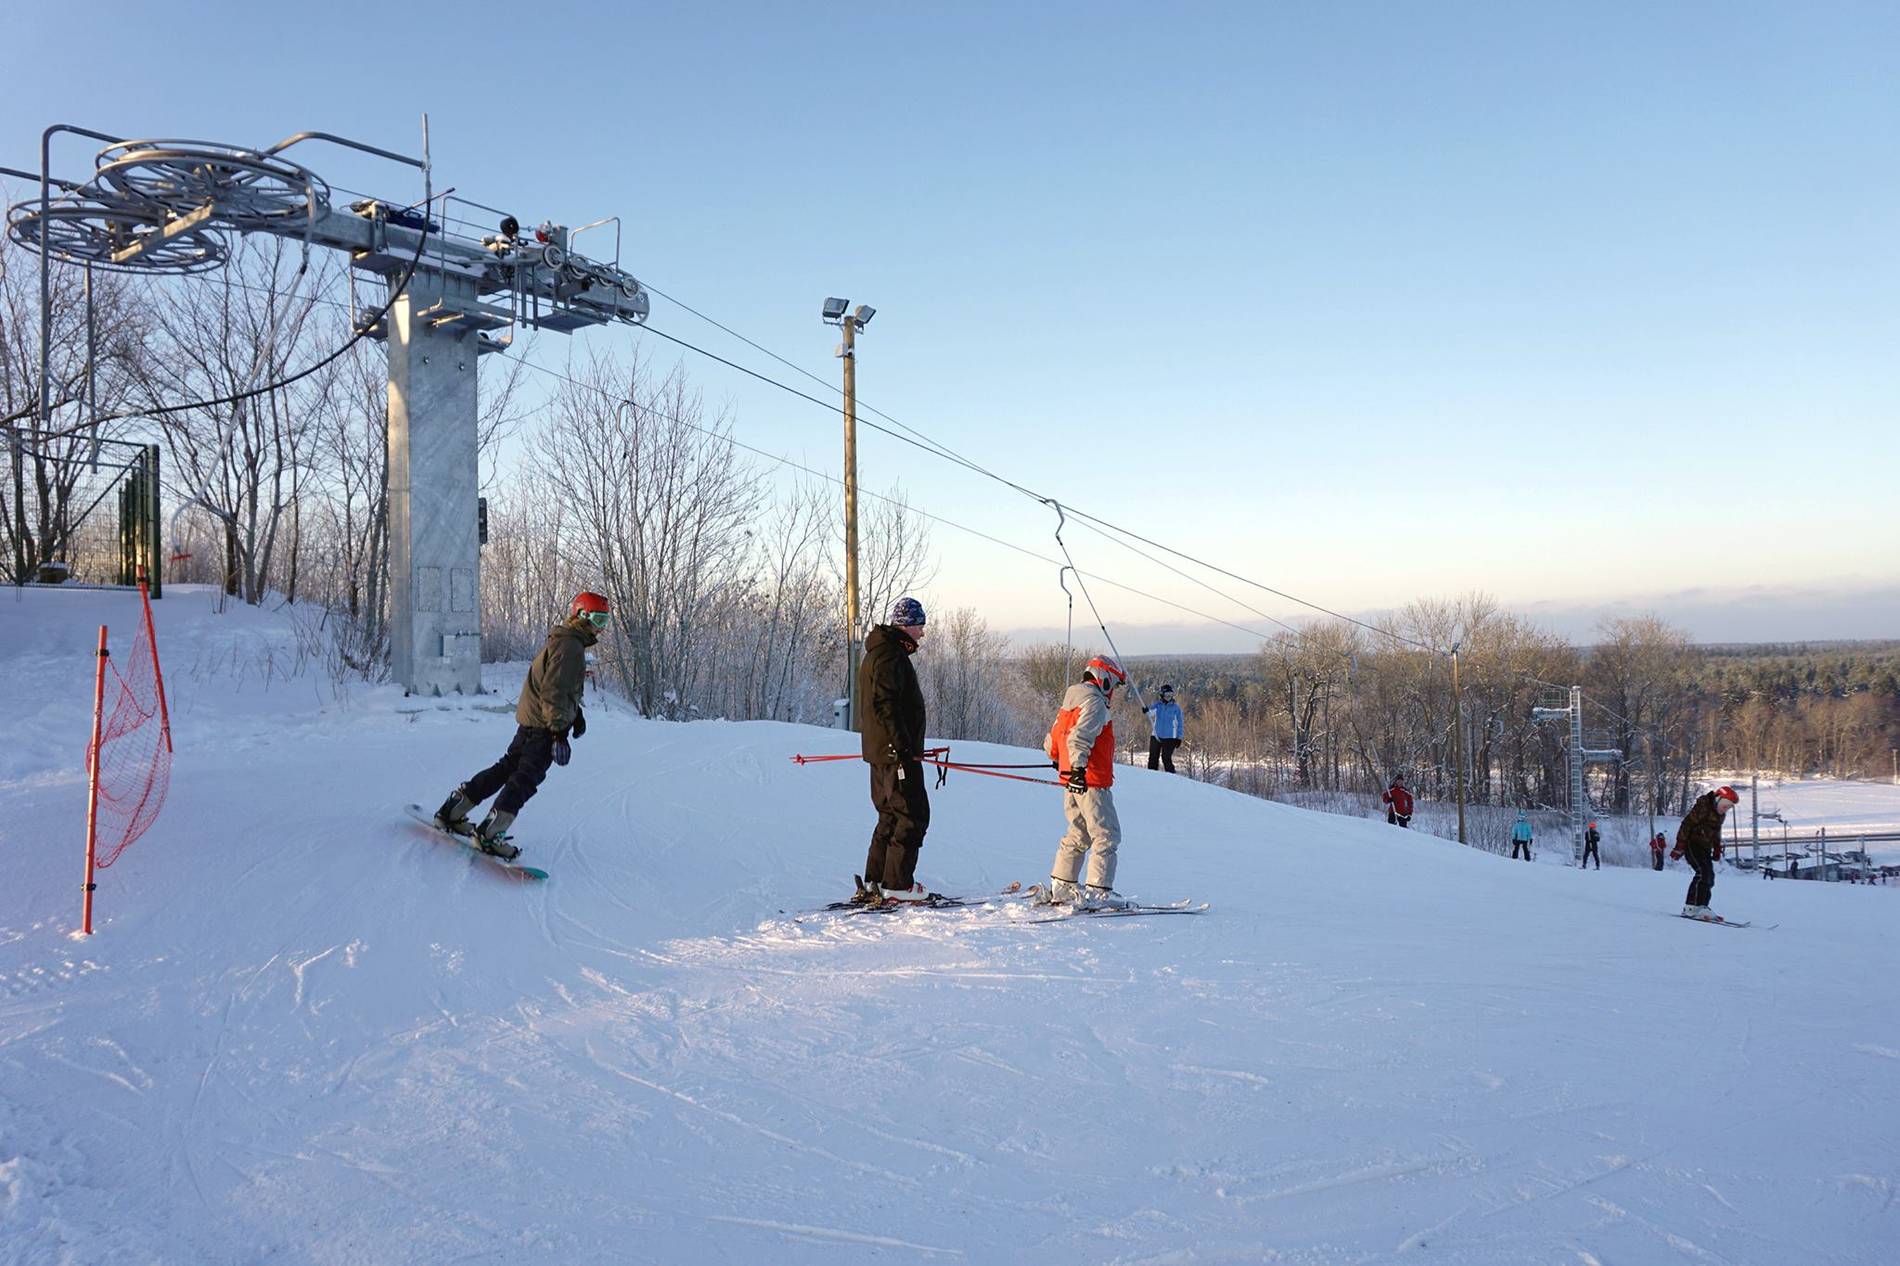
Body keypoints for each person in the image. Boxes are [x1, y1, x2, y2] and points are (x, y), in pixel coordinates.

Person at [434, 591, 607, 859]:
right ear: (581, 616)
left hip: (533, 721)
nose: (602, 627)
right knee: (526, 778)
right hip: (544, 725)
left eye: (606, 620)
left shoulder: (565, 641)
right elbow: (554, 691)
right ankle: (490, 834)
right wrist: (559, 732)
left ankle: (453, 809)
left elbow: (560, 687)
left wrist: (576, 714)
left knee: (507, 768)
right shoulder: (571, 647)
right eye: (598, 618)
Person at [856, 597, 932, 902]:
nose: (922, 634)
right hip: (895, 754)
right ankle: (897, 885)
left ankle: (877, 880)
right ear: (907, 626)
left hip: (883, 753)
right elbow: (885, 705)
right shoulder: (890, 657)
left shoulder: (881, 653)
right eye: (920, 627)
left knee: (889, 815)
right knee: (911, 815)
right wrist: (902, 747)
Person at [1044, 655, 1129, 907]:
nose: (1113, 691)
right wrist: (1079, 769)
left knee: (1079, 832)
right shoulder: (1095, 703)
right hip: (1090, 780)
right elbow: (1079, 738)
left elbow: (1054, 739)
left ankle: (1063, 885)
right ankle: (1099, 891)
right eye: (1113, 685)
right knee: (1106, 834)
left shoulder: (1071, 701)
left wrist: (1061, 761)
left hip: (1073, 780)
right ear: (1104, 679)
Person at [1673, 784, 1739, 920]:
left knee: (1709, 875)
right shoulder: (1703, 807)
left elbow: (1716, 832)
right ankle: (1690, 907)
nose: (1725, 810)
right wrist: (1680, 845)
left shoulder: (1720, 815)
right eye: (1725, 806)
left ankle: (1702, 906)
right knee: (1702, 872)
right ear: (1717, 799)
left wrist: (1717, 848)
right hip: (1692, 843)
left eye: (1728, 808)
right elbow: (1687, 824)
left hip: (1704, 847)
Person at [1145, 683, 1184, 773]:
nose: (1169, 697)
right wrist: (1146, 710)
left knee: (1166, 758)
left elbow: (1180, 723)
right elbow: (1151, 713)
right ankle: (1151, 777)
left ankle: (1171, 778)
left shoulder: (1176, 708)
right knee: (1153, 758)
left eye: (1170, 695)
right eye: (1167, 695)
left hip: (1170, 738)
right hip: (1156, 736)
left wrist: (1179, 737)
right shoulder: (1158, 705)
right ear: (1162, 695)